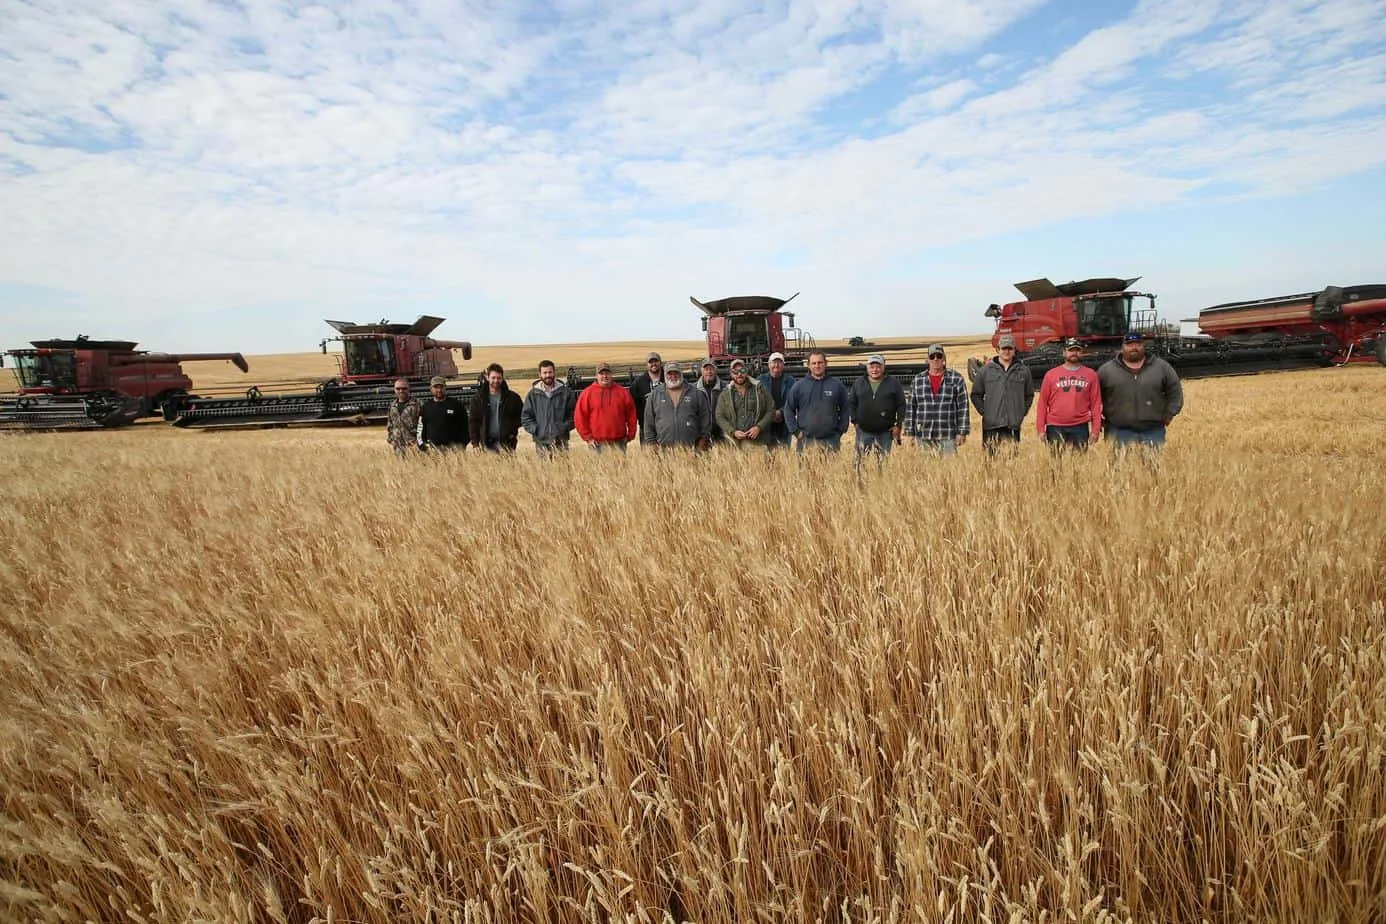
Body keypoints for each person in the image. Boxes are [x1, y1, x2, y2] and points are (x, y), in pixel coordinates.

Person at [1098, 331, 1184, 448]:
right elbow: (1094, 397)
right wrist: (1097, 418)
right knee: (1120, 466)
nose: (1134, 348)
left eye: (1138, 344)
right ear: (1122, 347)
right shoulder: (1106, 371)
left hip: (1153, 431)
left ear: (1143, 345)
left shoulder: (1162, 367)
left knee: (1152, 466)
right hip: (1118, 431)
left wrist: (1169, 413)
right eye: (1130, 344)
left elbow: (1175, 391)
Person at [970, 334, 1035, 455]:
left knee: (1012, 464)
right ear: (998, 349)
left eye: (1010, 348)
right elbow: (975, 395)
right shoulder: (985, 371)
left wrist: (1021, 412)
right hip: (991, 426)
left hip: (1013, 425)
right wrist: (986, 412)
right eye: (1004, 348)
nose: (1007, 351)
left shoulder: (1024, 371)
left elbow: (1029, 395)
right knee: (991, 463)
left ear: (1014, 350)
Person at [1036, 338, 1102, 450]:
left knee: (1078, 464)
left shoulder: (1091, 375)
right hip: (1055, 426)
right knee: (1056, 465)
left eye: (1077, 350)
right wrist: (1041, 429)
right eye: (1071, 350)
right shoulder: (1051, 375)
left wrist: (1095, 430)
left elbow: (1096, 404)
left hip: (1080, 426)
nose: (1074, 353)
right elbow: (1042, 403)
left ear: (1082, 353)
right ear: (1064, 353)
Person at [903, 344, 969, 454]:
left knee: (950, 469)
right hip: (923, 434)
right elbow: (911, 408)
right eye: (932, 356)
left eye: (939, 356)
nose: (935, 359)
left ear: (943, 358)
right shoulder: (918, 380)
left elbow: (963, 407)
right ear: (927, 359)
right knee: (926, 469)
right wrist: (909, 433)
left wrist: (962, 432)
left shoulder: (956, 379)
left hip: (948, 434)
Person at [784, 350, 850, 452]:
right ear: (808, 365)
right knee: (806, 468)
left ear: (826, 363)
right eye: (814, 363)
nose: (817, 366)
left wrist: (840, 431)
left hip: (831, 440)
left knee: (832, 468)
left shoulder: (837, 385)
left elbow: (846, 408)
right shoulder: (799, 386)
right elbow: (788, 410)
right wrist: (796, 432)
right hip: (805, 440)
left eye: (820, 363)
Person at [848, 353, 905, 459]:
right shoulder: (858, 383)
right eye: (872, 367)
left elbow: (901, 405)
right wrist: (855, 421)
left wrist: (898, 425)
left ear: (884, 367)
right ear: (867, 368)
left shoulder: (894, 383)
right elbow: (851, 403)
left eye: (878, 366)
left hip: (885, 433)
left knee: (883, 466)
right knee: (860, 465)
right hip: (864, 431)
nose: (875, 370)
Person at [643, 361, 712, 450]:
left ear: (681, 374)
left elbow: (705, 420)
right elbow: (648, 422)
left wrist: (703, 440)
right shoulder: (654, 395)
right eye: (670, 374)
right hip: (664, 451)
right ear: (664, 375)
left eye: (676, 373)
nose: (673, 376)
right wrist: (652, 443)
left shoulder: (696, 393)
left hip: (693, 450)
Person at [574, 361, 638, 453]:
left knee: (620, 467)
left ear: (611, 374)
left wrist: (631, 434)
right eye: (601, 374)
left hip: (619, 442)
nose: (605, 376)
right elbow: (580, 417)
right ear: (596, 376)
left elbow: (631, 414)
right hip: (597, 444)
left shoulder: (622, 392)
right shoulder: (587, 394)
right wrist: (588, 438)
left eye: (607, 373)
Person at [715, 358, 774, 450]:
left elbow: (771, 410)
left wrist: (759, 427)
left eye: (742, 370)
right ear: (731, 374)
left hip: (757, 442)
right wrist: (733, 432)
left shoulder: (759, 389)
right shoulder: (725, 394)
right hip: (733, 444)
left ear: (746, 372)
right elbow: (719, 416)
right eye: (735, 371)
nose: (739, 374)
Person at [520, 360, 577, 455]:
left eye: (550, 372)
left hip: (561, 442)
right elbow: (526, 417)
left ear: (554, 372)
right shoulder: (533, 394)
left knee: (562, 468)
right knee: (544, 470)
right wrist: (536, 429)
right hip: (541, 442)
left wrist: (563, 428)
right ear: (539, 374)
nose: (547, 375)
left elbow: (574, 415)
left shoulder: (566, 392)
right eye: (545, 373)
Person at [468, 362, 523, 452]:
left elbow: (522, 416)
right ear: (487, 377)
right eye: (493, 378)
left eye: (499, 378)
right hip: (486, 444)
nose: (496, 381)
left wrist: (511, 431)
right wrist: (475, 443)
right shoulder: (478, 398)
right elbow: (473, 421)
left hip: (507, 444)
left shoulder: (512, 398)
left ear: (502, 378)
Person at [419, 375, 469, 452]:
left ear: (445, 388)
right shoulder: (426, 407)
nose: (439, 390)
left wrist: (462, 444)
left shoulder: (456, 405)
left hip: (454, 450)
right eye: (436, 387)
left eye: (441, 387)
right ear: (431, 389)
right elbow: (420, 428)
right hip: (432, 450)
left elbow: (465, 426)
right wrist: (423, 446)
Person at [757, 351, 797, 449]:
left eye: (779, 362)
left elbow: (793, 401)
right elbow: (757, 401)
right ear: (769, 364)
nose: (776, 365)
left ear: (783, 365)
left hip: (784, 423)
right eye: (773, 362)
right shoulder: (760, 380)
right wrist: (771, 414)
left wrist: (781, 412)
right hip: (766, 424)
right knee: (767, 457)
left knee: (784, 453)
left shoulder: (791, 381)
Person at [628, 351, 664, 443]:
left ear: (660, 362)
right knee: (648, 455)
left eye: (656, 361)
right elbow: (632, 406)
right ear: (646, 365)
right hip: (647, 428)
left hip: (666, 426)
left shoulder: (669, 379)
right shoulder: (638, 383)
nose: (653, 364)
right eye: (650, 362)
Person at [385, 378, 422, 456]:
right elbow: (390, 424)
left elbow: (424, 424)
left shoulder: (417, 404)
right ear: (394, 390)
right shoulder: (392, 406)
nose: (401, 391)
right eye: (398, 388)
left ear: (409, 389)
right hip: (398, 446)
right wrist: (391, 439)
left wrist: (420, 441)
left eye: (404, 388)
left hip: (414, 445)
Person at [692, 359, 726, 442]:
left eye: (712, 369)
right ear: (701, 371)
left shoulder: (725, 388)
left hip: (721, 433)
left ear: (716, 370)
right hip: (700, 435)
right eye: (706, 369)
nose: (709, 372)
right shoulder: (693, 389)